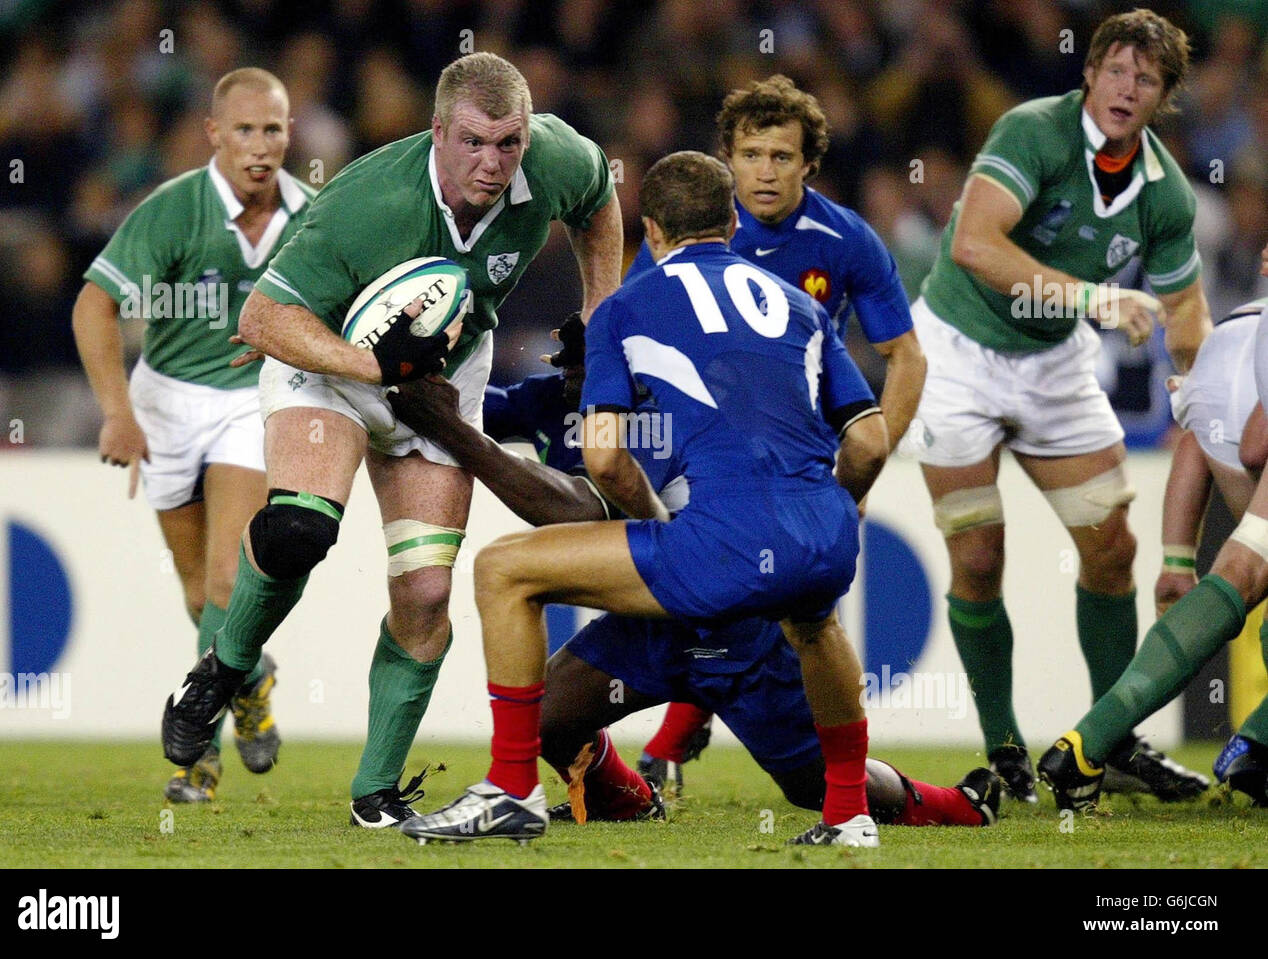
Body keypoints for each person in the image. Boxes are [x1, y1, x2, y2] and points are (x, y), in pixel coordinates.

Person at [158, 52, 623, 828]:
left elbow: (601, 203)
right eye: (473, 142)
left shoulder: (558, 157)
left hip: (444, 373)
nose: (493, 163)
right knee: (301, 526)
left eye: (508, 144)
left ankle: (372, 792)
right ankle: (225, 667)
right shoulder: (368, 201)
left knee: (427, 591)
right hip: (333, 366)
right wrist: (371, 363)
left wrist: (600, 313)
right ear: (436, 131)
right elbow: (261, 321)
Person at [399, 150, 891, 847]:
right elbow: (869, 441)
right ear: (731, 221)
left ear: (652, 232)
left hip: (717, 543)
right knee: (817, 629)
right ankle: (849, 815)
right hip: (824, 530)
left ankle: (511, 789)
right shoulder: (801, 305)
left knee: (502, 568)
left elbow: (604, 457)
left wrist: (660, 529)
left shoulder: (627, 306)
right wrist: (839, 507)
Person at [390, 346, 1002, 830]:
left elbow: (578, 511)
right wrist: (392, 372)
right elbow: (452, 405)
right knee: (545, 723)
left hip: (741, 628)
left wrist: (452, 428)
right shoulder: (552, 399)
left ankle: (949, 803)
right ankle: (624, 801)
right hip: (647, 625)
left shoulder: (685, 408)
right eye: (578, 351)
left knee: (811, 786)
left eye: (601, 354)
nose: (584, 371)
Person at [897, 8, 1212, 801]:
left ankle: (1105, 742)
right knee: (977, 555)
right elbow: (973, 242)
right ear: (1089, 74)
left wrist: (1203, 394)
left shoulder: (1165, 193)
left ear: (1161, 96)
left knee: (1110, 550)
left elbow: (1186, 316)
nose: (1126, 87)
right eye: (1115, 69)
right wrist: (1096, 299)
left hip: (1056, 369)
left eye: (1145, 78)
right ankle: (1004, 747)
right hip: (958, 357)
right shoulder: (1032, 132)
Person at [627, 74, 927, 787]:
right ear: (727, 159)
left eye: (782, 156)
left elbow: (907, 356)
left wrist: (867, 467)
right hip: (706, 452)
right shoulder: (686, 234)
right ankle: (709, 741)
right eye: (752, 154)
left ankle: (694, 740)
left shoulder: (846, 240)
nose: (765, 171)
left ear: (809, 164)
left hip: (804, 453)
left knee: (791, 611)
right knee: (756, 602)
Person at [73, 68, 313, 802]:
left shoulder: (311, 215)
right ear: (214, 135)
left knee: (222, 578)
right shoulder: (174, 209)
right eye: (244, 130)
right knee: (194, 592)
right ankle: (249, 675)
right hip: (168, 402)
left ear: (288, 134)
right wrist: (117, 410)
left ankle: (197, 755)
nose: (259, 145)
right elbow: (94, 306)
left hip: (252, 401)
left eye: (272, 129)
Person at [1041, 293, 1268, 809]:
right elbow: (1257, 444)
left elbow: (1196, 436)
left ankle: (1086, 744)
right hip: (1246, 385)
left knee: (1246, 570)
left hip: (1224, 352)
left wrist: (1178, 558)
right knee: (1249, 572)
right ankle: (1254, 743)